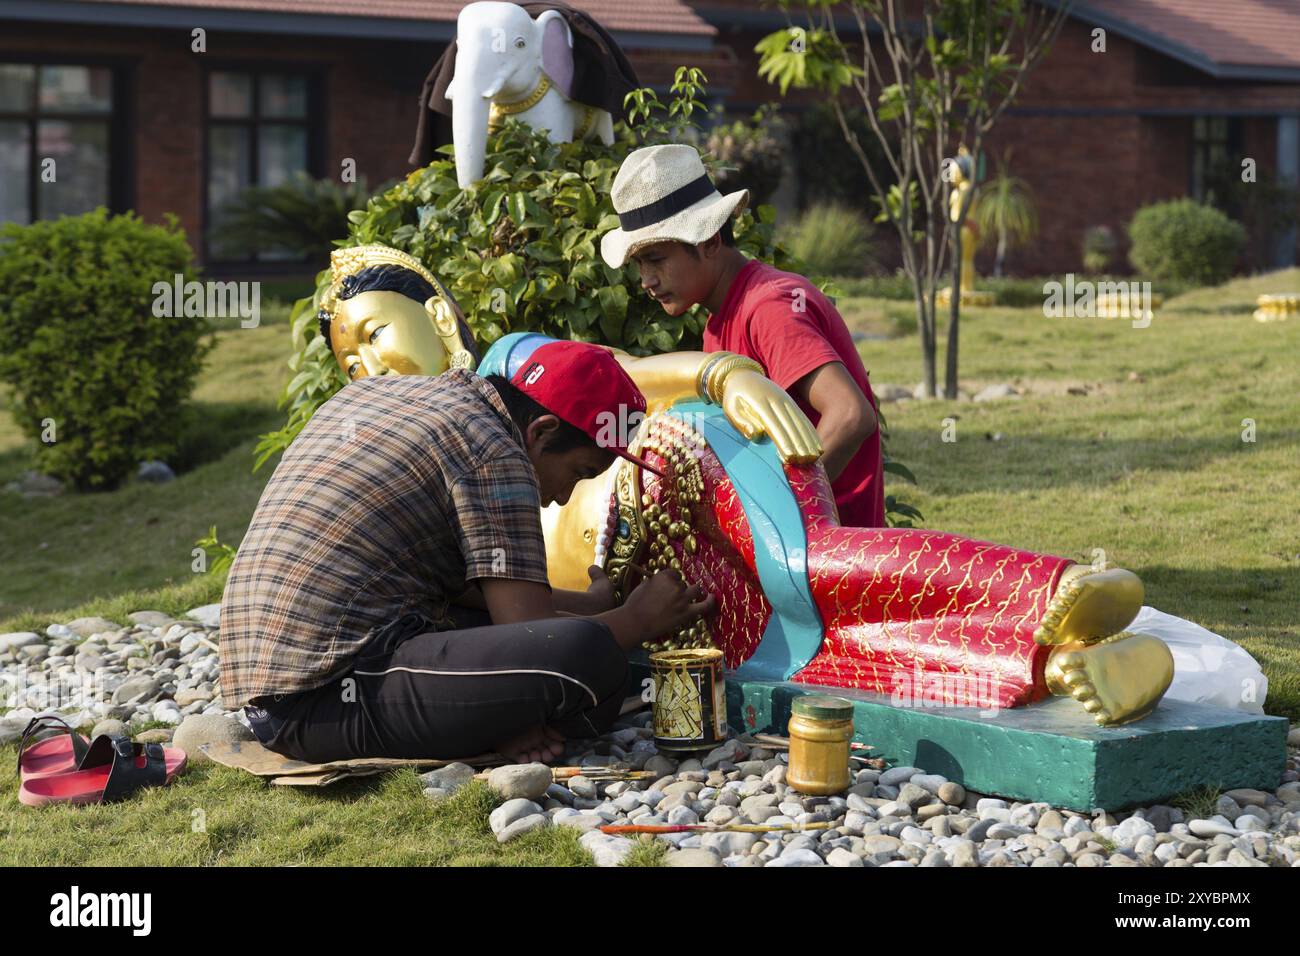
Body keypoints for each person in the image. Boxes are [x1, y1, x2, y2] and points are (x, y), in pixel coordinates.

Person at [219, 340, 715, 764]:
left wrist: (592, 604)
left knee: (578, 645)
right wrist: (639, 618)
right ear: (541, 432)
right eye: (579, 473)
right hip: (321, 699)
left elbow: (463, 586)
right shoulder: (494, 450)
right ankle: (482, 727)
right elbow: (531, 634)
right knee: (587, 658)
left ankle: (478, 720)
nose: (564, 497)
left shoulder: (392, 393)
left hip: (277, 683)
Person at [601, 144, 886, 527]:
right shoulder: (719, 323)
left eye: (656, 259)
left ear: (711, 241)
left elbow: (851, 416)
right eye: (639, 264)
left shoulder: (768, 307)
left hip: (829, 557)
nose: (647, 280)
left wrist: (773, 520)